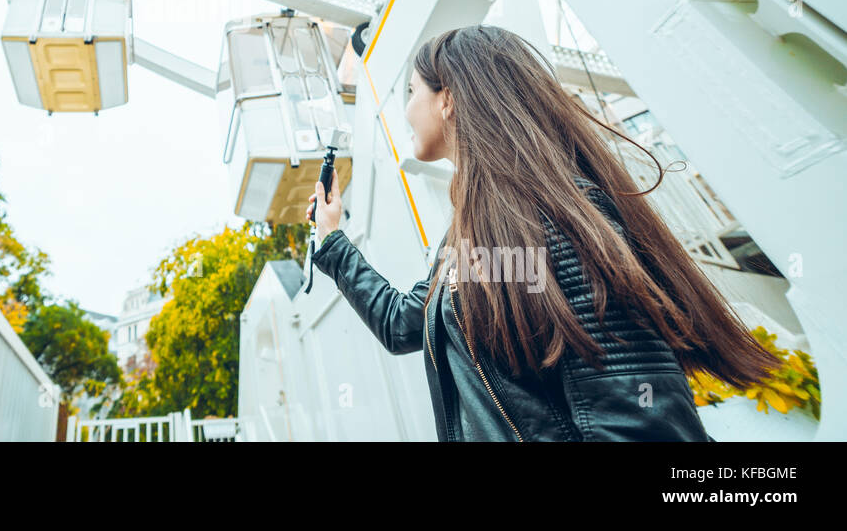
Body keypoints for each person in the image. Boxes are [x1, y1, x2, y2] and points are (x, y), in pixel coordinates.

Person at [307, 24, 781, 441]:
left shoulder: (551, 219)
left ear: (448, 99)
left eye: (411, 92)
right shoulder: (476, 238)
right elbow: (405, 323)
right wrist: (333, 241)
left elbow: (641, 418)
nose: (406, 110)